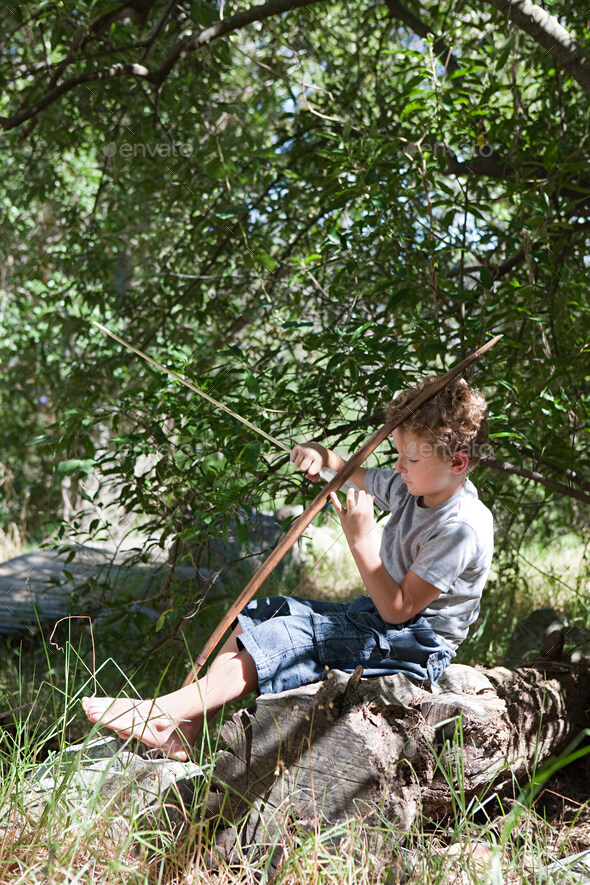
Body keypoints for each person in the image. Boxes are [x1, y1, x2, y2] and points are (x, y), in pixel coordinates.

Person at [82, 377, 493, 761]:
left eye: (411, 458)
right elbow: (352, 474)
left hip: (418, 646)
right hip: (382, 621)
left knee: (286, 637)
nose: (400, 466)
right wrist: (321, 454)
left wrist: (361, 541)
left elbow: (399, 609)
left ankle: (159, 710)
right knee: (266, 612)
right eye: (399, 455)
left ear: (457, 463)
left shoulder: (460, 528)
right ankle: (184, 728)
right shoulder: (415, 485)